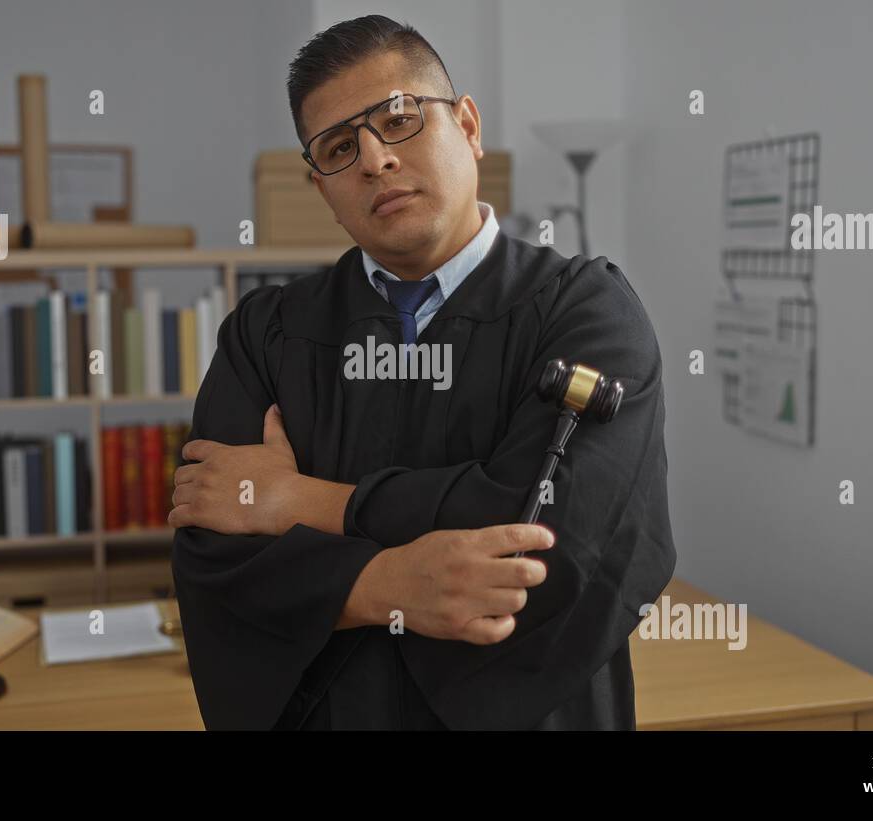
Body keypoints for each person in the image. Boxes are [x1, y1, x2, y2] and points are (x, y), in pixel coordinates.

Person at [169, 14, 675, 730]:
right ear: (322, 188)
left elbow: (552, 541)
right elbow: (217, 556)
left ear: (467, 125)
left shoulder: (587, 314)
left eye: (399, 118)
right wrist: (388, 584)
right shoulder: (268, 335)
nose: (375, 160)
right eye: (340, 148)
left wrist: (298, 501)